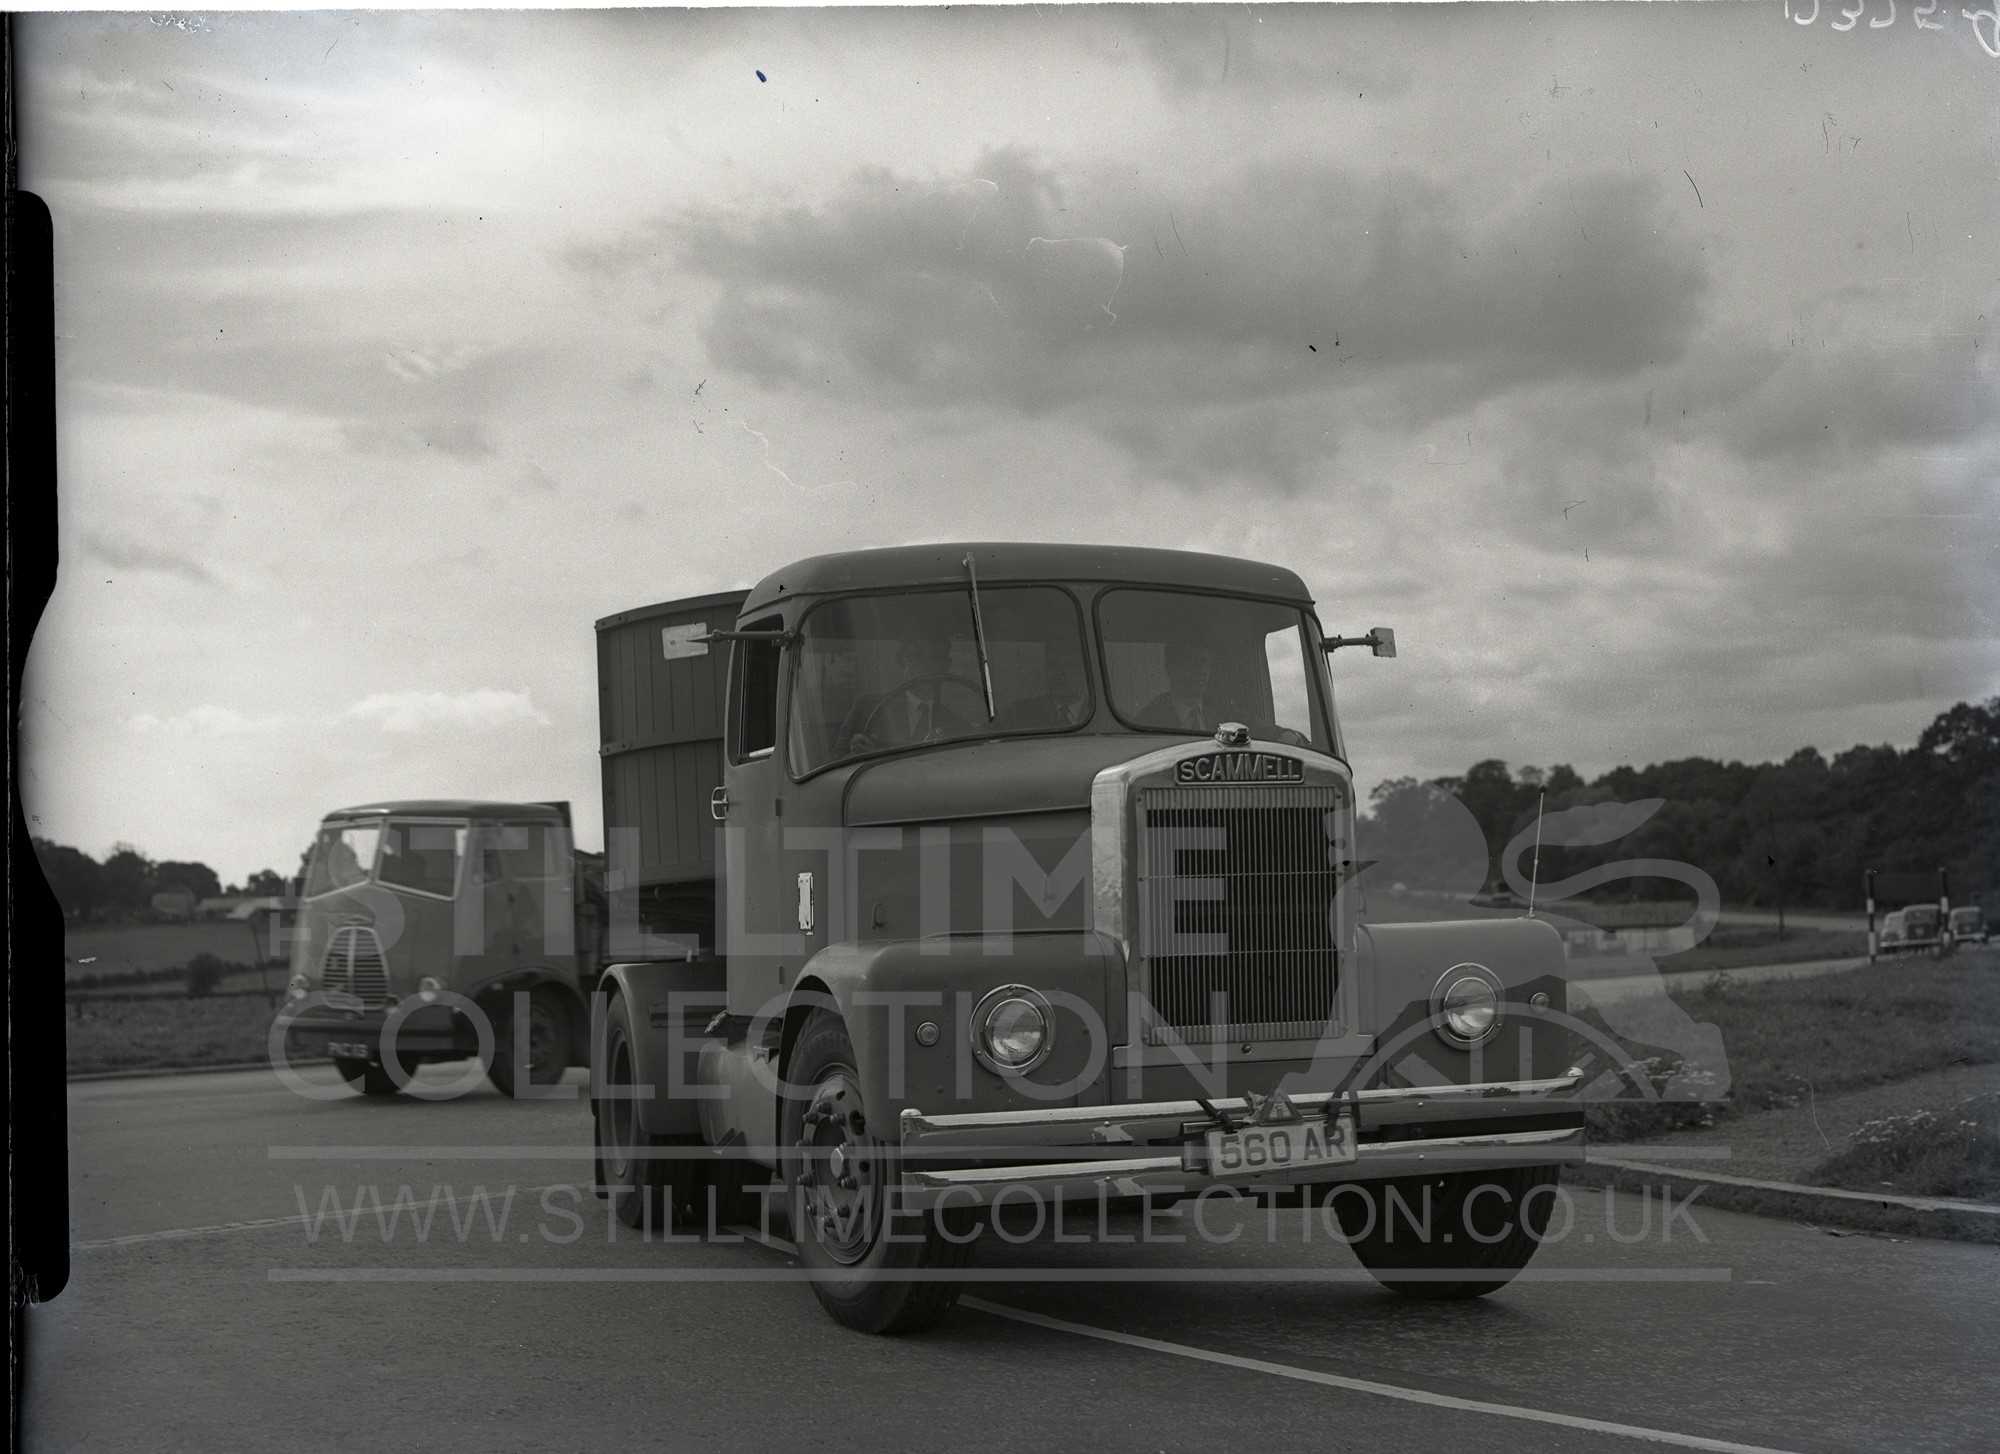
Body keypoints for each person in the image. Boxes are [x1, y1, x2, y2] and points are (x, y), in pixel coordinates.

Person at [844, 629, 976, 753]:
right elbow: (835, 760)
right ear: (903, 662)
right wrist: (856, 752)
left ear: (946, 665)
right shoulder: (867, 709)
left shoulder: (958, 727)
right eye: (916, 656)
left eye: (935, 658)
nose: (925, 666)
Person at [1138, 638, 1219, 732]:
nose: (1202, 670)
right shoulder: (1148, 720)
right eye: (1192, 662)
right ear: (1171, 669)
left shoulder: (1221, 715)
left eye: (1205, 662)